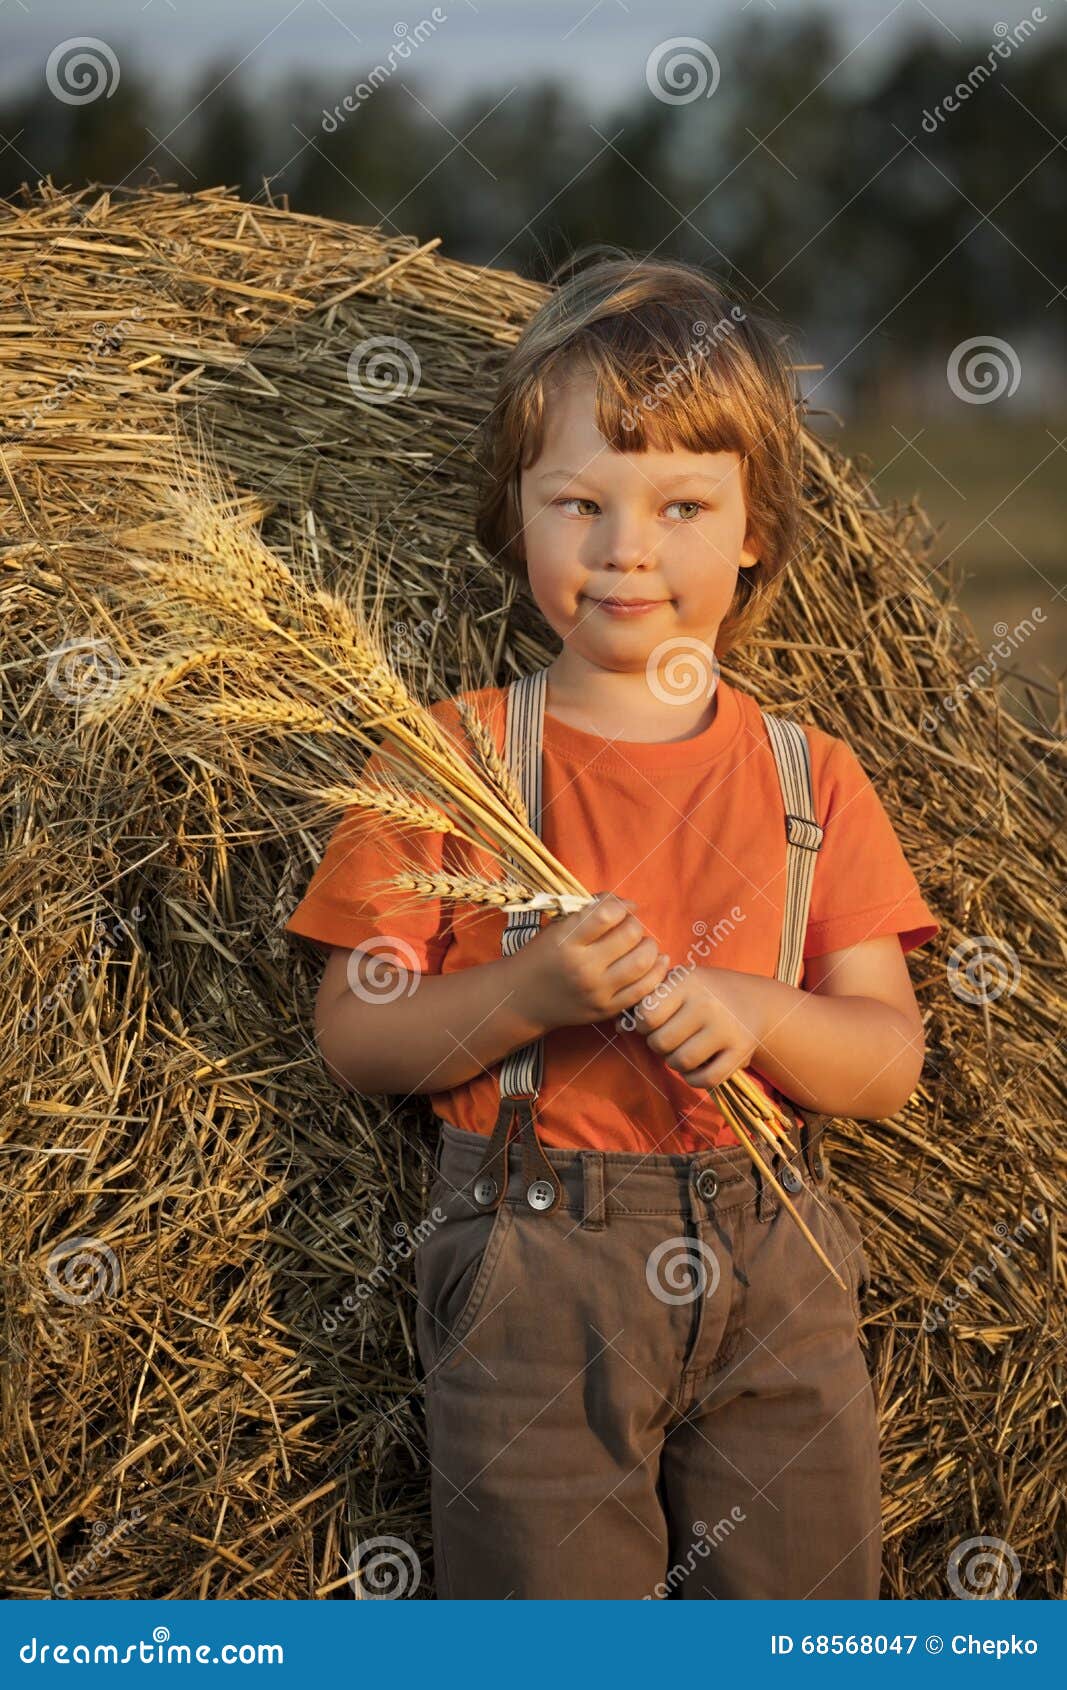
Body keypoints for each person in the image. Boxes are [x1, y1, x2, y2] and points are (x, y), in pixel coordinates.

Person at [284, 254, 940, 1599]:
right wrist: (527, 989)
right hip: (538, 1273)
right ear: (516, 514)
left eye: (683, 505)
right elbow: (356, 1031)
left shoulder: (814, 778)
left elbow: (889, 1059)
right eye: (578, 502)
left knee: (803, 1625)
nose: (626, 547)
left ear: (757, 529)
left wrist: (760, 1015)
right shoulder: (447, 763)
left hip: (780, 1269)